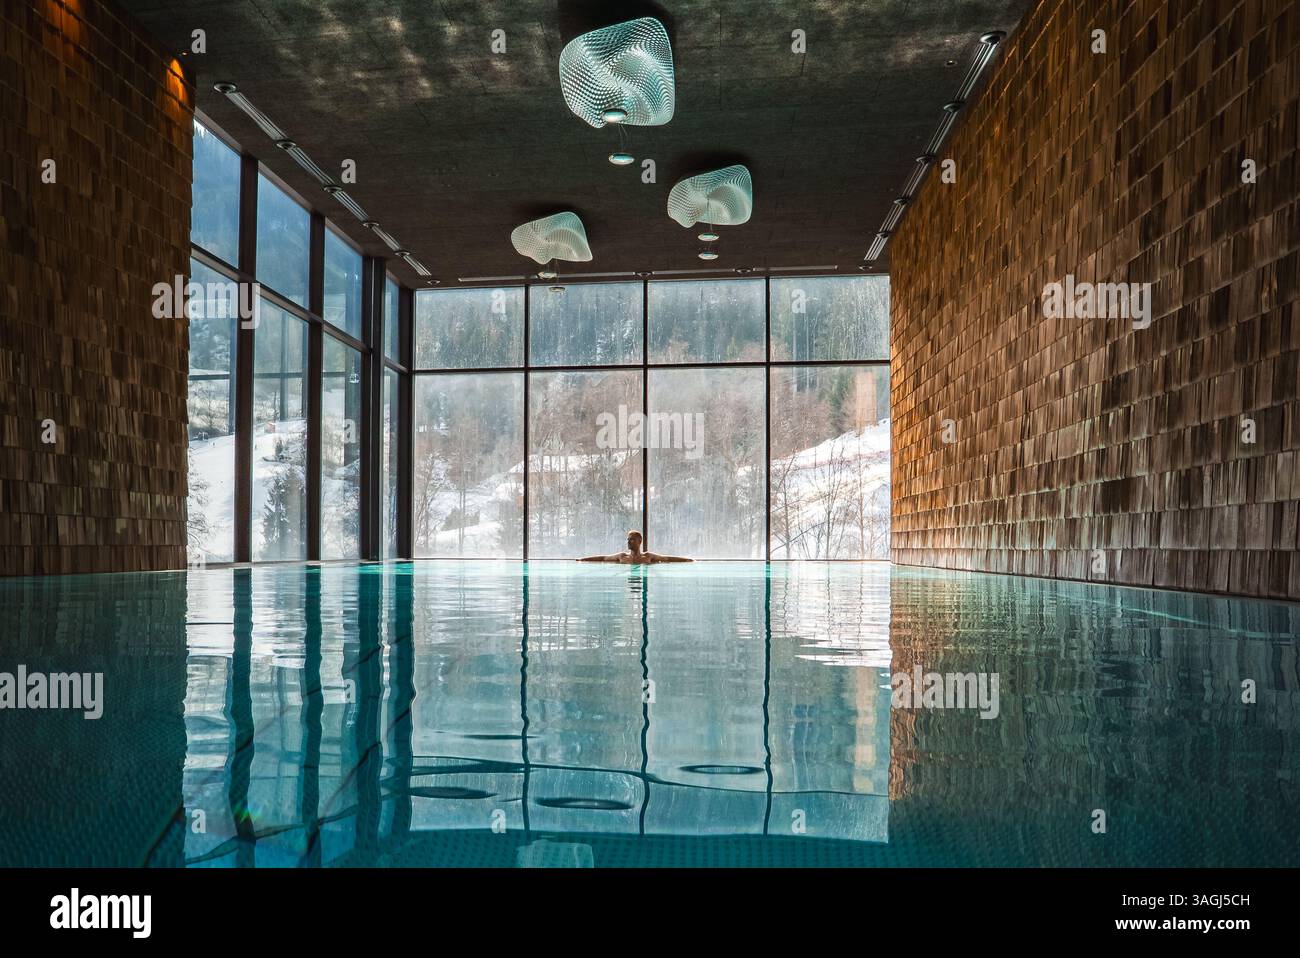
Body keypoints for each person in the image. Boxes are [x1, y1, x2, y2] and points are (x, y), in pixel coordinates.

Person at [576, 530, 692, 564]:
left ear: (639, 541)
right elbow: (603, 558)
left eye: (631, 539)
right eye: (628, 539)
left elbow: (667, 558)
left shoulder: (647, 556)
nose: (628, 542)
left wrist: (687, 559)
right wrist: (583, 559)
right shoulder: (622, 557)